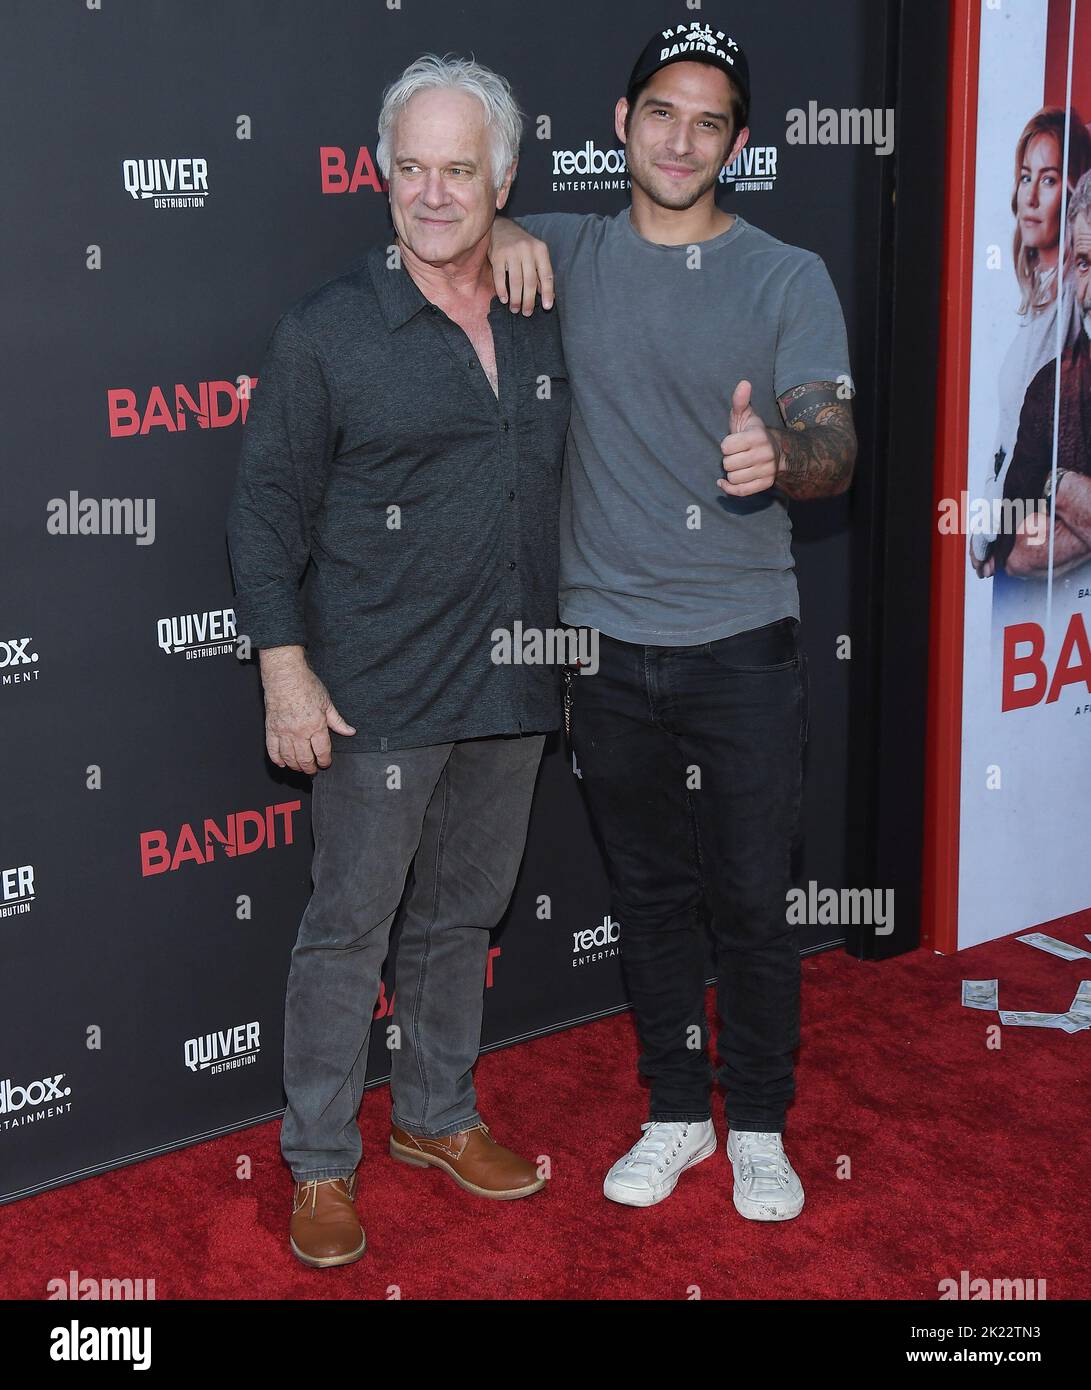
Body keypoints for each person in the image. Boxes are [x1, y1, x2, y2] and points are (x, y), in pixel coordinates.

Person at [488, 19, 855, 1220]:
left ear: (736, 144)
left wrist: (781, 453)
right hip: (600, 647)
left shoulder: (783, 274)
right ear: (620, 124)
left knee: (749, 901)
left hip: (740, 643)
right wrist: (491, 226)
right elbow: (437, 237)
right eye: (661, 112)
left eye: (708, 121)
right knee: (646, 900)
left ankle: (755, 1121)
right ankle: (672, 1112)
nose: (680, 138)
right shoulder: (566, 250)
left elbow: (831, 446)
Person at [226, 53, 570, 1267]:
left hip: (518, 677)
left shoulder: (546, 297)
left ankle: (434, 1114)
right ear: (380, 177)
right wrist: (284, 669)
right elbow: (264, 510)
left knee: (461, 915)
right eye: (411, 168)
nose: (433, 193)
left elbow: (652, 231)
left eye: (461, 170)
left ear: (504, 177)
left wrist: (526, 230)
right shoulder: (329, 330)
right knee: (349, 928)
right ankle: (320, 1161)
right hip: (375, 688)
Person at [970, 109, 1090, 611]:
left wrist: (1046, 486)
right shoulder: (1031, 294)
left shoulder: (1071, 301)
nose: (1032, 196)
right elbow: (1008, 436)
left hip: (1045, 586)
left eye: (1050, 179)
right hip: (1007, 537)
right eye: (1026, 178)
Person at [994, 168, 1091, 582]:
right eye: (1086, 263)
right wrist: (1067, 484)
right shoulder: (1052, 384)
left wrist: (1057, 486)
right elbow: (1011, 547)